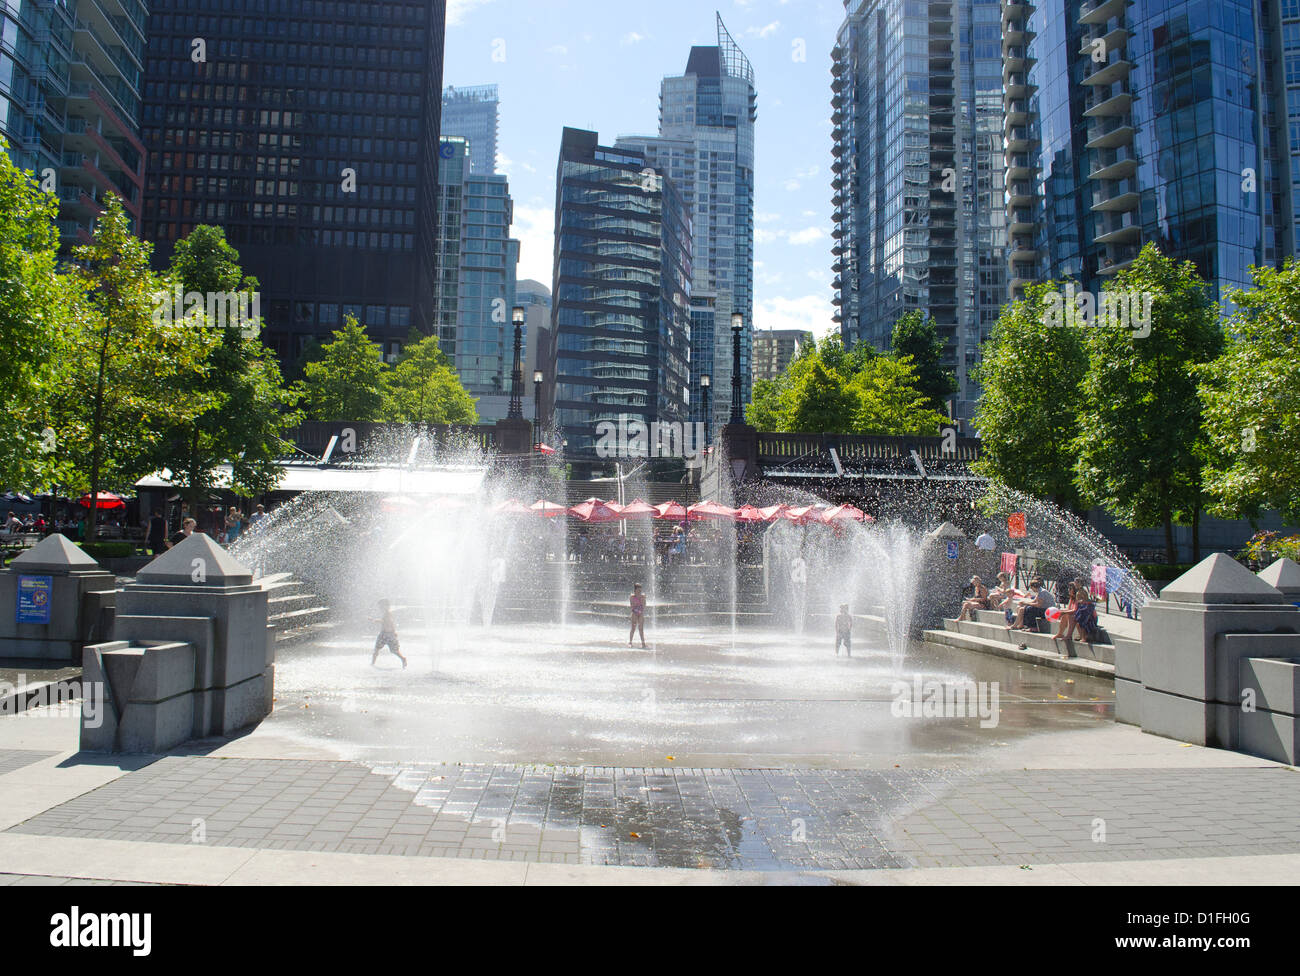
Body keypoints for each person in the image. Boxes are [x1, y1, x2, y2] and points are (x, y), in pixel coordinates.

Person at [371, 598, 407, 668]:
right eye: (379, 606)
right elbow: (388, 622)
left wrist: (377, 621)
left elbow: (388, 622)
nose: (379, 607)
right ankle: (372, 663)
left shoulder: (387, 613)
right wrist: (376, 620)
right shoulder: (386, 613)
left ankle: (403, 659)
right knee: (378, 649)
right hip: (386, 634)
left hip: (387, 634)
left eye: (381, 605)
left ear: (385, 605)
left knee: (381, 650)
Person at [629, 582, 647, 648]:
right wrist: (636, 607)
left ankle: (643, 643)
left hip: (641, 613)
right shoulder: (632, 597)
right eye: (638, 590)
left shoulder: (643, 596)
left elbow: (644, 606)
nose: (640, 591)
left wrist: (643, 600)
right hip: (634, 613)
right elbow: (632, 606)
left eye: (640, 590)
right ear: (635, 590)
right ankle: (630, 642)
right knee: (633, 628)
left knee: (641, 629)